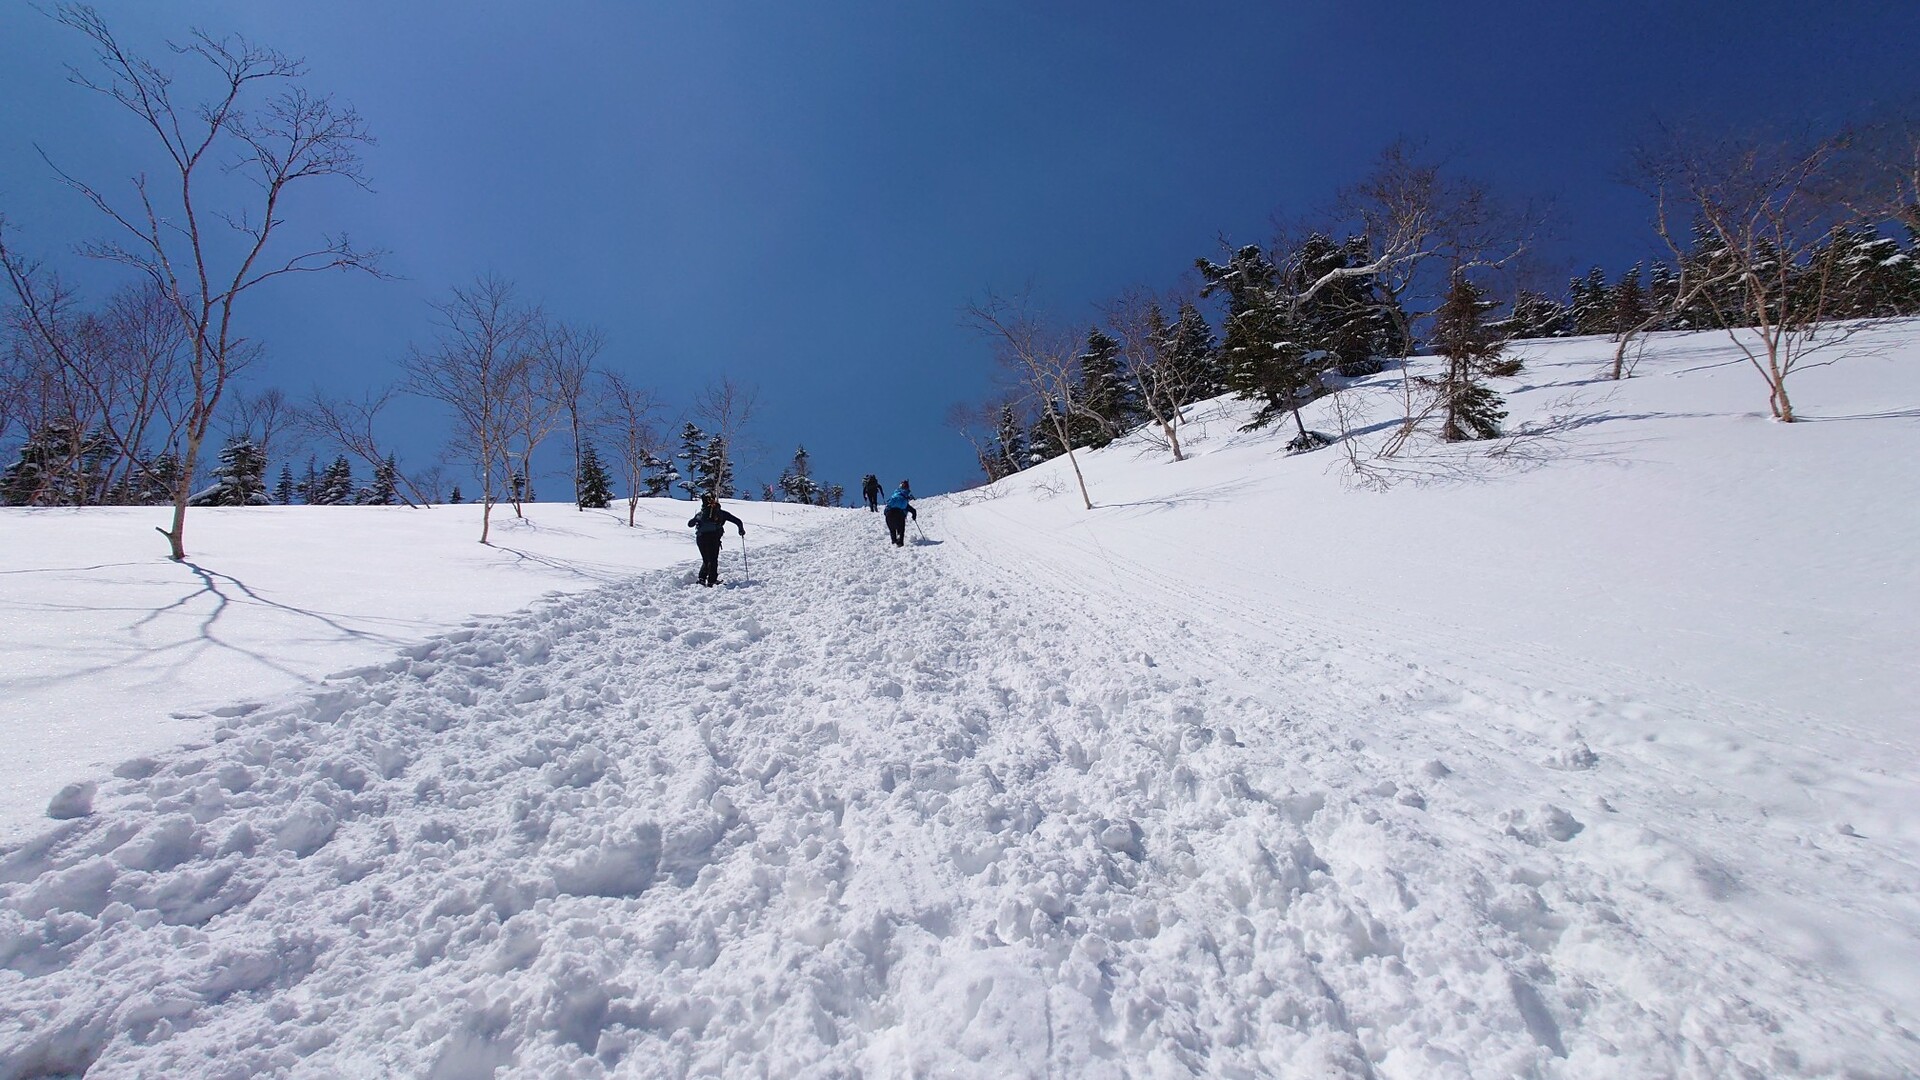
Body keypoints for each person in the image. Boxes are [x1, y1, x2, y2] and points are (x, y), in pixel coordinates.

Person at [687, 493, 745, 586]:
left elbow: (690, 524)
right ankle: (712, 580)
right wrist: (741, 530)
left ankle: (701, 578)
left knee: (706, 559)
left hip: (701, 538)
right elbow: (737, 521)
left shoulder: (700, 514)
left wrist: (696, 519)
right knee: (713, 559)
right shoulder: (720, 513)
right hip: (713, 538)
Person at [883, 480, 916, 547]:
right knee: (901, 529)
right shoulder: (904, 498)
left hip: (889, 514)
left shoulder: (894, 495)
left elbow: (887, 507)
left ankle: (894, 542)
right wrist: (914, 516)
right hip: (899, 514)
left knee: (892, 530)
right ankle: (900, 543)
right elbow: (913, 510)